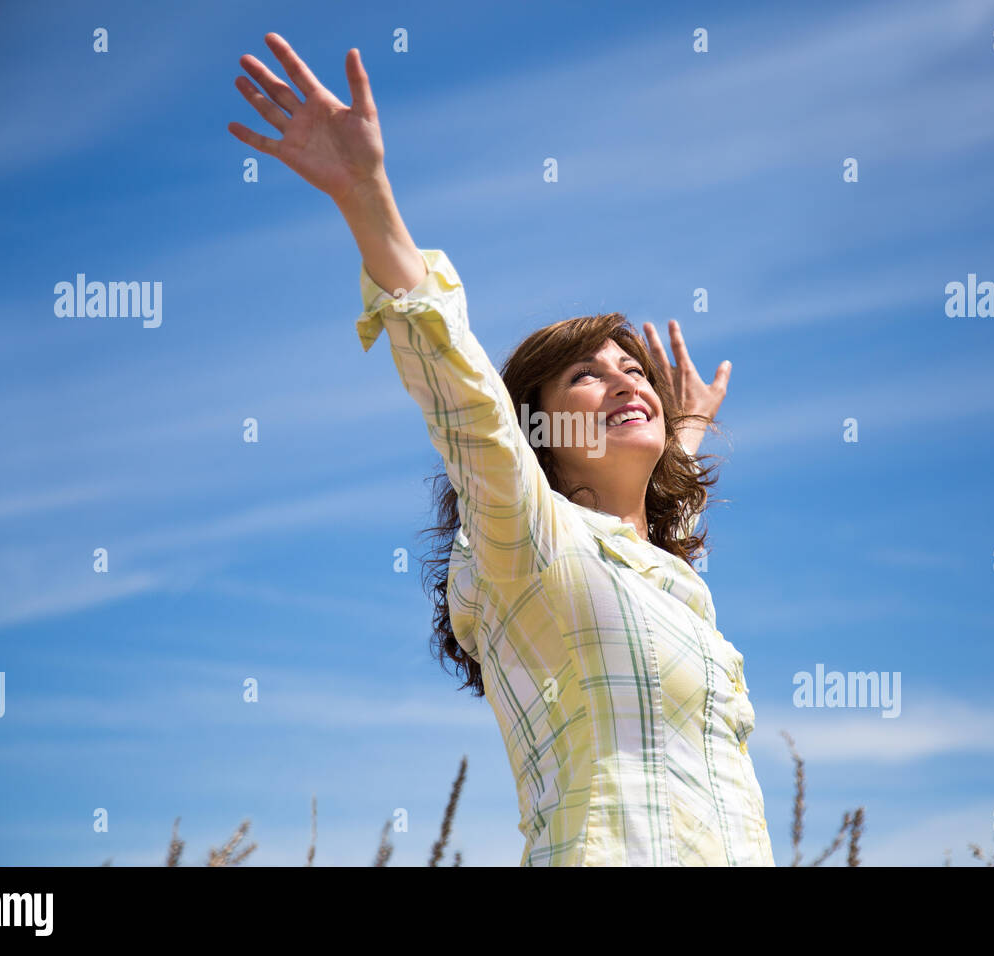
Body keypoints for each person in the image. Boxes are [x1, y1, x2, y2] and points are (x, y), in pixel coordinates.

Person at [228, 33, 774, 866]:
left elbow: (662, 524)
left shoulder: (669, 584)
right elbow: (473, 415)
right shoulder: (532, 546)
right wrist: (368, 198)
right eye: (587, 378)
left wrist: (688, 429)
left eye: (636, 372)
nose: (629, 384)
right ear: (539, 431)